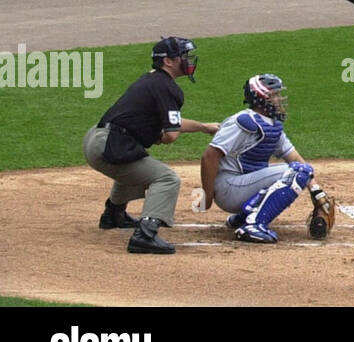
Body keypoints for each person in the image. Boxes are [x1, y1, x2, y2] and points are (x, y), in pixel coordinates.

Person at [83, 37, 219, 255]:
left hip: (98, 139)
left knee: (135, 161)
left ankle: (113, 215)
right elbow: (171, 135)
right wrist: (163, 136)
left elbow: (167, 124)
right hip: (109, 144)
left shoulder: (152, 80)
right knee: (166, 178)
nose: (188, 60)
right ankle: (145, 235)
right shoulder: (166, 87)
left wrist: (204, 127)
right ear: (168, 61)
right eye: (183, 56)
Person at [200, 73, 334, 244]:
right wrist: (207, 195)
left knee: (300, 169)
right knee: (298, 172)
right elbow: (209, 156)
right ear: (261, 99)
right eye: (275, 95)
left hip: (242, 185)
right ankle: (254, 225)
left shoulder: (272, 125)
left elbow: (294, 157)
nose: (280, 99)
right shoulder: (242, 122)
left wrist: (316, 190)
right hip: (229, 188)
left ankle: (244, 217)